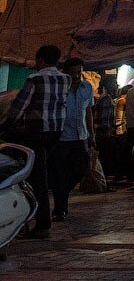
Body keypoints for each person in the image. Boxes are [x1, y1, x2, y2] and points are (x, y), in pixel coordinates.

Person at [0, 45, 70, 238]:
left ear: (40, 60)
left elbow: (19, 106)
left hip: (36, 132)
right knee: (42, 171)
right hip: (55, 132)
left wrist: (6, 126)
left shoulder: (35, 79)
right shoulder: (66, 79)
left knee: (37, 176)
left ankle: (42, 223)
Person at [49, 57, 95, 220]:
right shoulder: (59, 89)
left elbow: (88, 112)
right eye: (73, 73)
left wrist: (92, 135)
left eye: (79, 73)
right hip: (61, 138)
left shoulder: (87, 87)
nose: (76, 76)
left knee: (80, 170)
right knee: (59, 172)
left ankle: (61, 195)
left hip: (81, 136)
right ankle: (60, 208)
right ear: (65, 73)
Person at [92, 82, 116, 184]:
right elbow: (104, 119)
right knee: (105, 158)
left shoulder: (104, 98)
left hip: (102, 132)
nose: (115, 86)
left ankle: (103, 181)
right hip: (104, 133)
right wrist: (110, 130)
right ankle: (103, 182)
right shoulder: (106, 99)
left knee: (104, 157)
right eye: (113, 84)